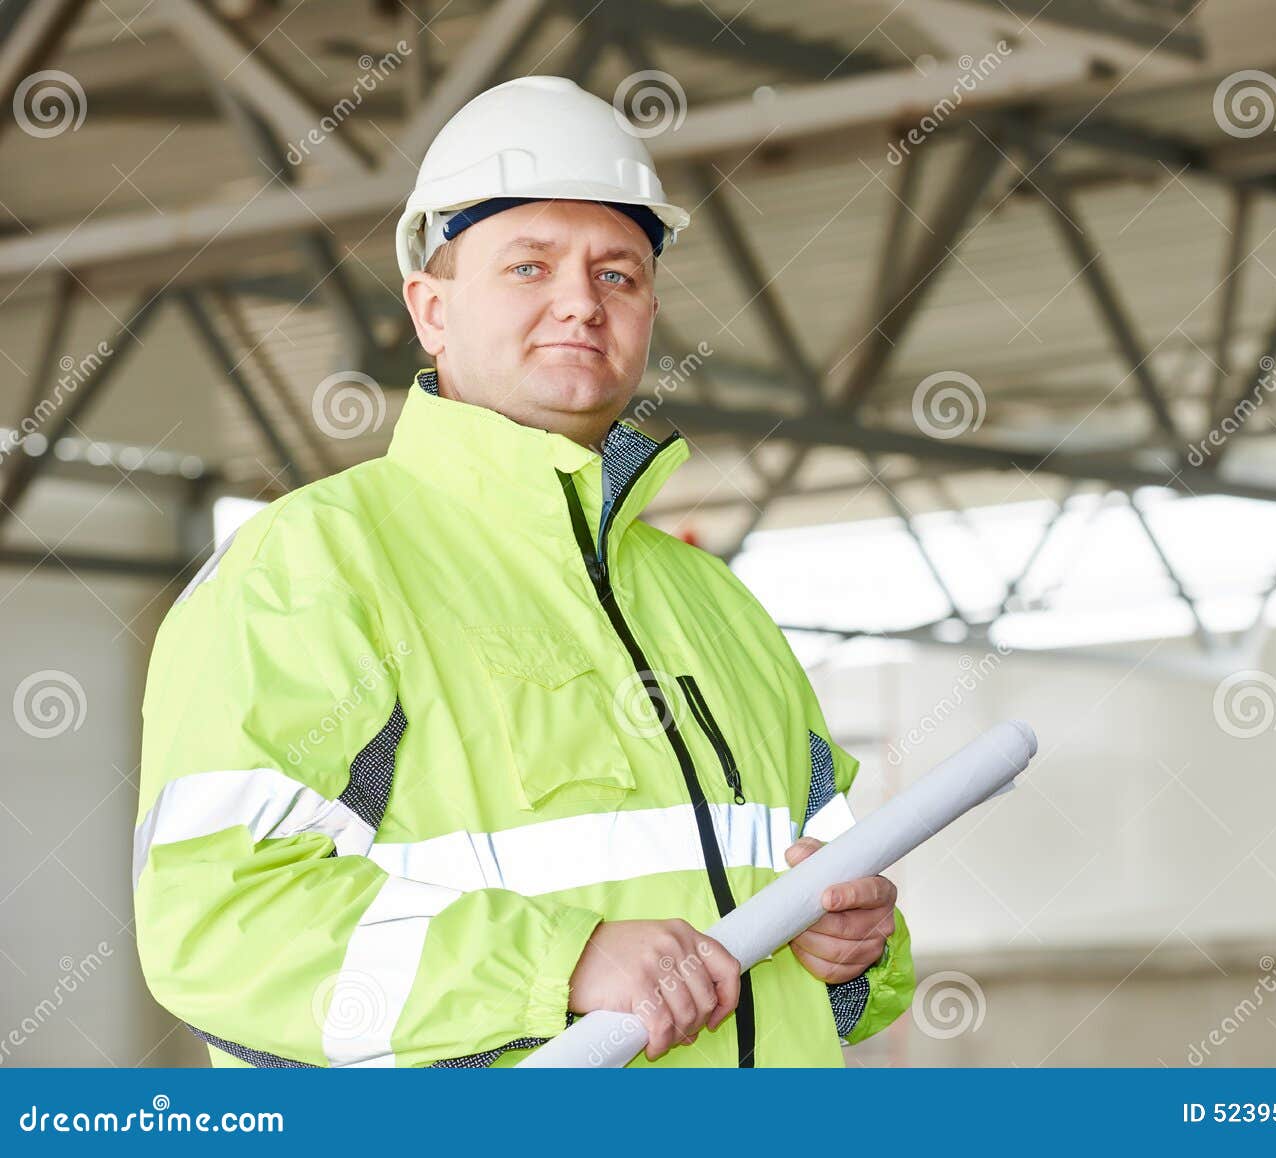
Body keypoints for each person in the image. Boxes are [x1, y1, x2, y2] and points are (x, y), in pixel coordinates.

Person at [132, 76, 914, 1068]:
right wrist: (561, 961)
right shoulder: (314, 566)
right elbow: (221, 927)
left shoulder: (715, 604)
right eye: (528, 266)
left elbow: (836, 920)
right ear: (431, 309)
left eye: (616, 274)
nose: (579, 304)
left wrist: (855, 949)